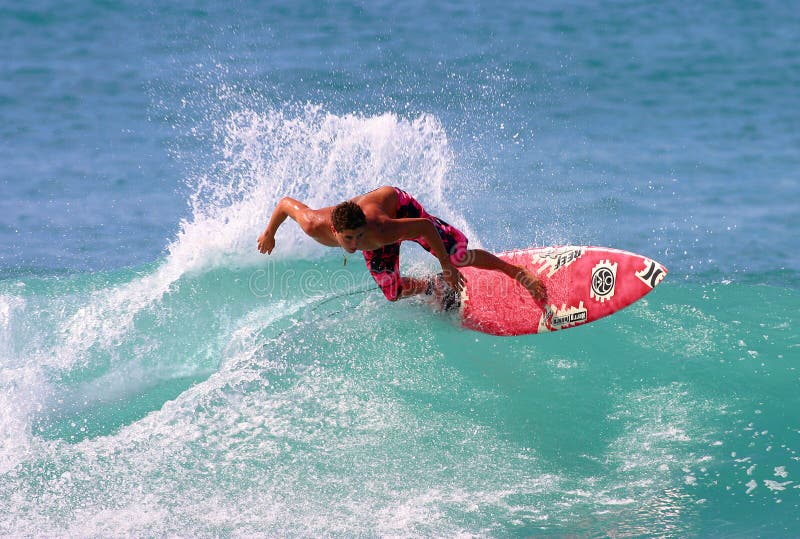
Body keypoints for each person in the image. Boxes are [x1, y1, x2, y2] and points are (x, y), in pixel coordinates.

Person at [257, 186, 546, 302]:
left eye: (358, 237)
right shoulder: (312, 225)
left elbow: (423, 226)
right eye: (349, 239)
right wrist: (269, 233)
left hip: (400, 208)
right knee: (393, 292)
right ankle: (433, 286)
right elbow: (284, 204)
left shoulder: (381, 229)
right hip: (377, 230)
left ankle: (519, 274)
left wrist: (446, 264)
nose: (355, 244)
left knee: (457, 256)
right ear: (334, 230)